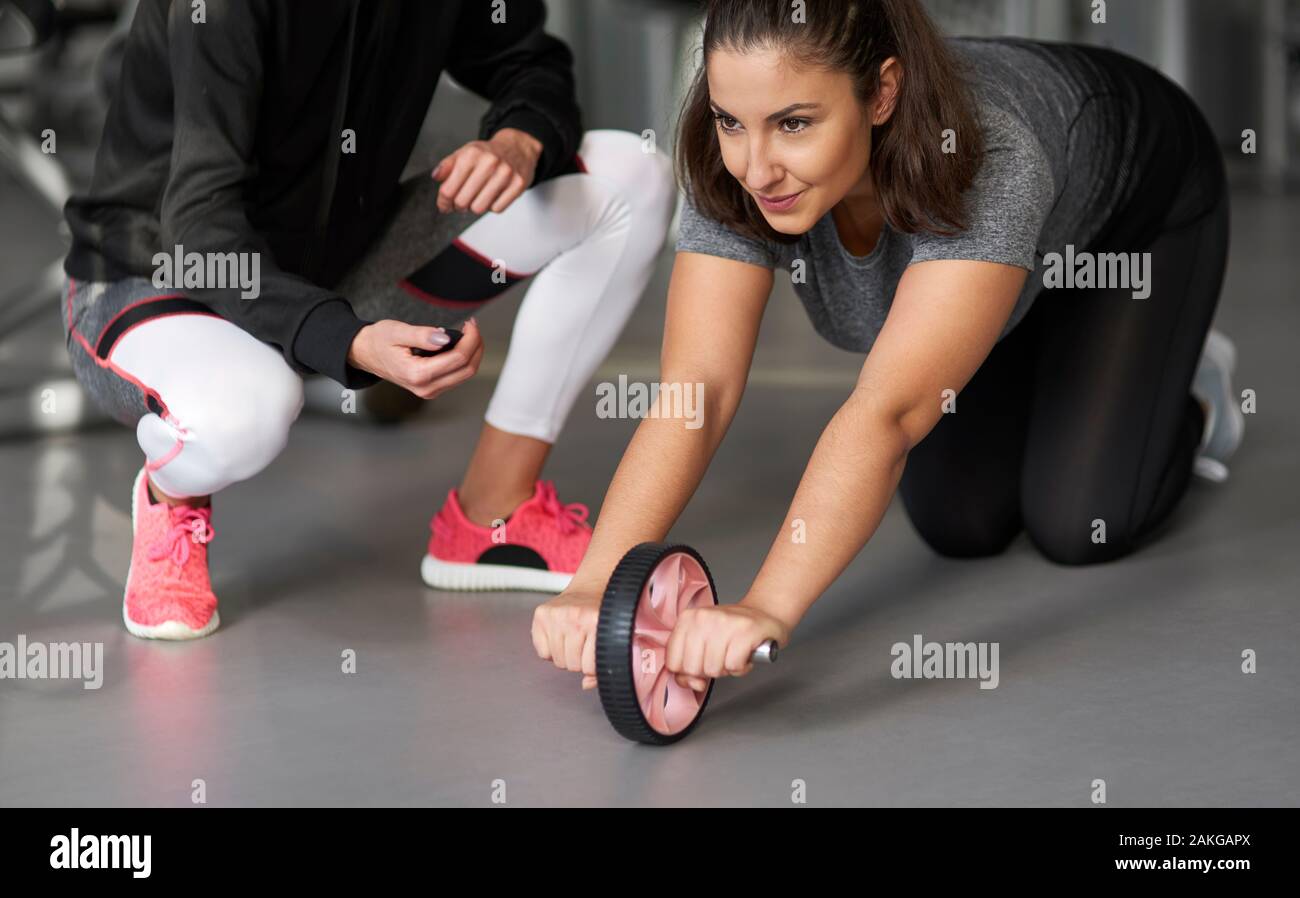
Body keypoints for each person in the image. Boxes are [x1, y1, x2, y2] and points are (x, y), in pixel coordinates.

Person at [532, 0, 1243, 692]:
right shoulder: (733, 165)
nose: (757, 168)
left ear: (882, 93)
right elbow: (700, 389)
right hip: (1003, 256)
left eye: (794, 124)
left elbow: (889, 413)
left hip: (1136, 218)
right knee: (962, 522)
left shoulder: (990, 156)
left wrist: (767, 606)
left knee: (1080, 525)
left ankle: (1194, 391)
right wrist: (597, 579)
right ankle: (1023, 326)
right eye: (730, 122)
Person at [61, 0, 676, 639]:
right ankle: (171, 499)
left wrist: (520, 137)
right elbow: (200, 232)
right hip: (157, 276)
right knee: (246, 413)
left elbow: (527, 60)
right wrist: (346, 340)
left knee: (630, 179)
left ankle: (492, 513)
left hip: (337, 266)